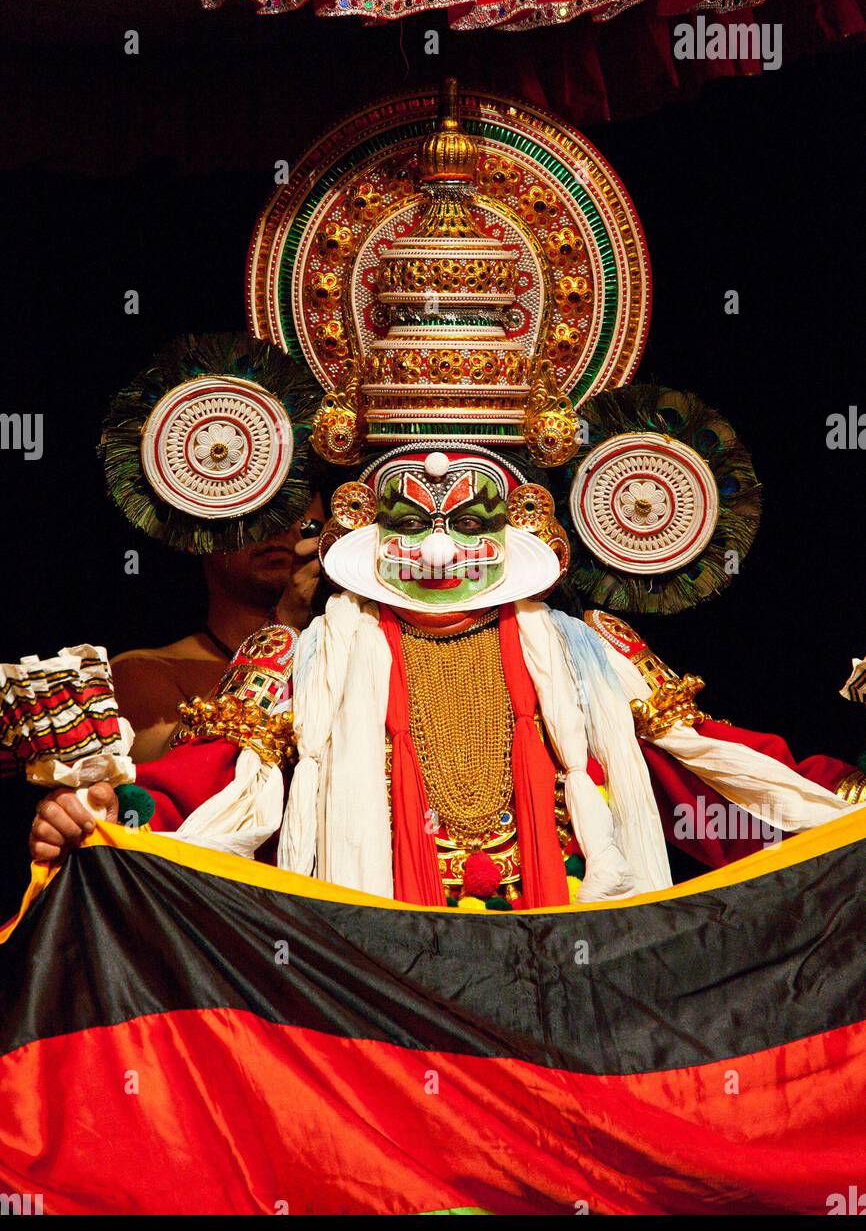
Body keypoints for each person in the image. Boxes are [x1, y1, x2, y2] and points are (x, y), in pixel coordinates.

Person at [27, 85, 862, 903]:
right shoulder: (298, 665)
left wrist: (848, 802)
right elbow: (196, 798)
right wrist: (106, 816)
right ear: (355, 513)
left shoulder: (595, 663)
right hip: (373, 1011)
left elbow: (734, 785)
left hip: (569, 999)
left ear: (532, 519)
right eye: (405, 512)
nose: (435, 542)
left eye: (471, 513)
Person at [111, 499, 324, 763]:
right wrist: (283, 627)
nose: (276, 524)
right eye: (249, 499)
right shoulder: (140, 672)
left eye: (294, 496)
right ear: (193, 533)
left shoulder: (366, 651)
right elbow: (177, 773)